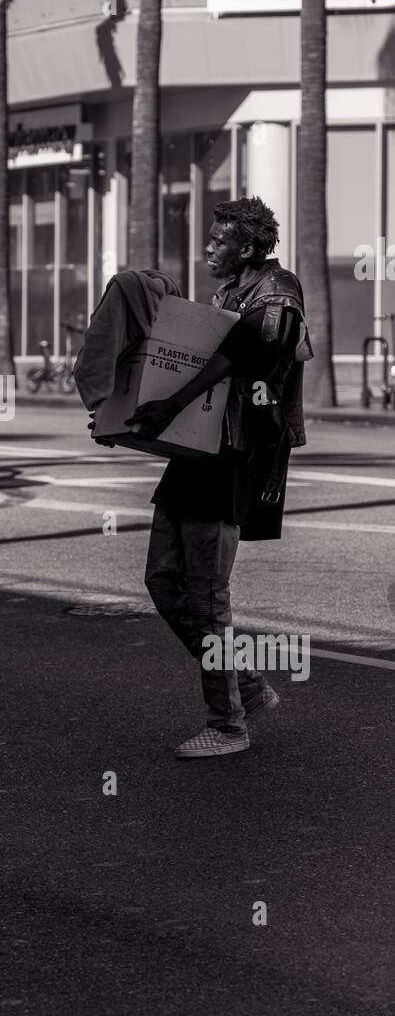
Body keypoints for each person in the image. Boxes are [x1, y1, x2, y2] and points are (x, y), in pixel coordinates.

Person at [120, 196, 312, 760]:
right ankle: (247, 685)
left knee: (207, 599)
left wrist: (167, 404)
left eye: (218, 240)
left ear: (248, 247)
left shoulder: (278, 293)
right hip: (199, 452)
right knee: (162, 580)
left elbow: (241, 357)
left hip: (235, 455)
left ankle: (227, 724)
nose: (208, 248)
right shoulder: (233, 292)